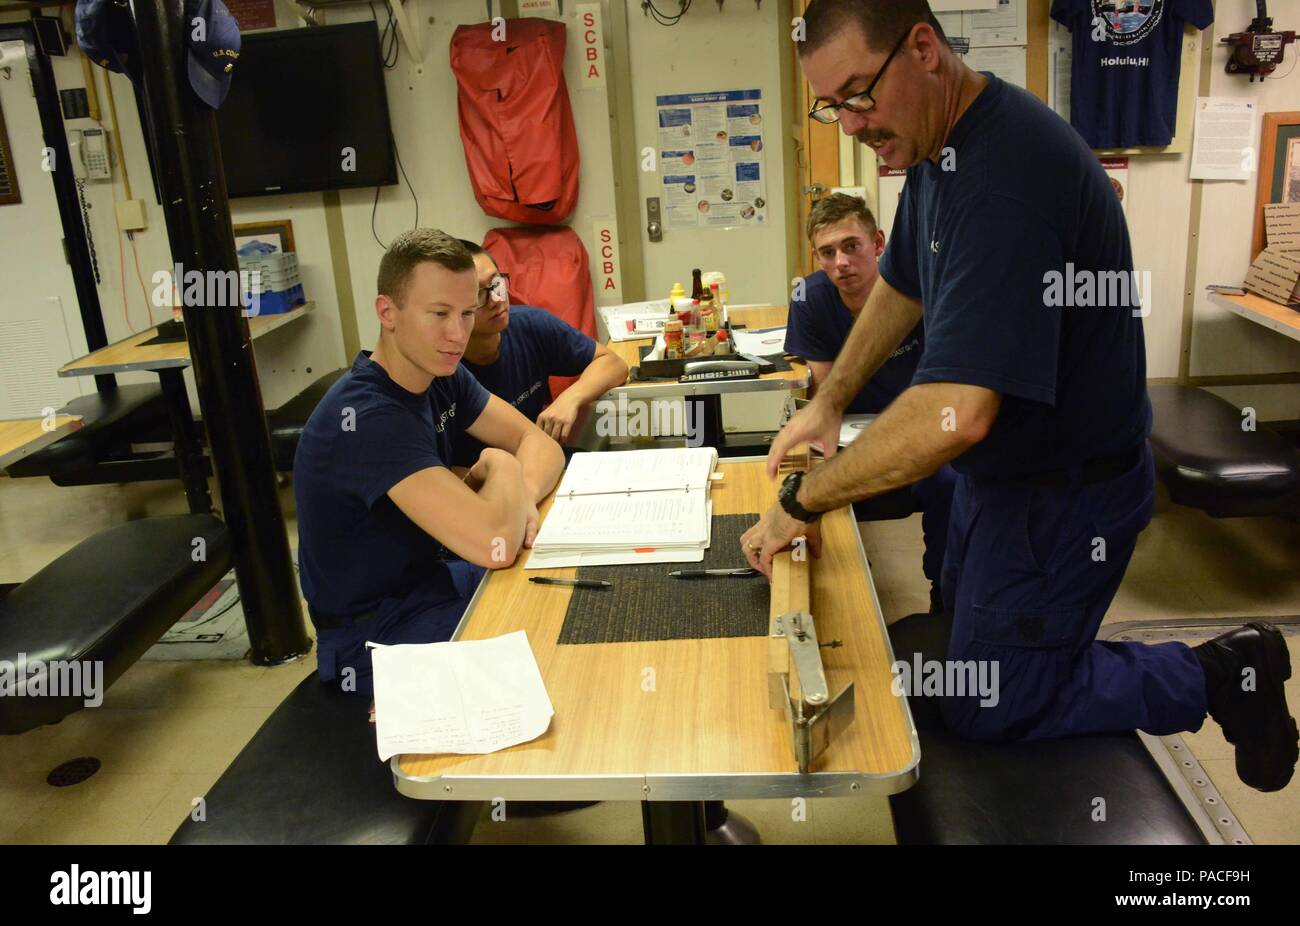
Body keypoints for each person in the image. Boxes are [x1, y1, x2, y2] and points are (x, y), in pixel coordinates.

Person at [744, 0, 1295, 790]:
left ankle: (1224, 672)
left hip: (1067, 499)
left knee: (992, 701)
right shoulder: (940, 149)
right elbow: (903, 284)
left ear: (923, 49)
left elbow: (957, 412)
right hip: (1002, 483)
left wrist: (804, 500)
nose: (851, 124)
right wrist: (830, 403)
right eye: (830, 105)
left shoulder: (1006, 179)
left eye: (858, 94)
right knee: (967, 655)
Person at [294, 229, 565, 697]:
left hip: (432, 583)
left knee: (563, 592)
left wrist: (516, 502)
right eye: (439, 314)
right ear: (388, 313)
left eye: (465, 313)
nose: (457, 335)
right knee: (551, 657)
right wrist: (500, 464)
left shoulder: (440, 373)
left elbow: (542, 444)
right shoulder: (369, 418)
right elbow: (493, 542)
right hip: (373, 638)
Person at [787, 192, 955, 609]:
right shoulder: (810, 300)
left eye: (851, 246)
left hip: (921, 428)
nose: (841, 262)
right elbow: (827, 399)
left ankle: (944, 595)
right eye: (827, 253)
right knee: (798, 477)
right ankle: (832, 606)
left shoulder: (922, 291)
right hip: (852, 435)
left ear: (878, 243)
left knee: (954, 483)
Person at [455, 239, 629, 466]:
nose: (497, 299)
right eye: (479, 294)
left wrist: (570, 399)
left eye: (497, 283)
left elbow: (614, 363)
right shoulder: (443, 369)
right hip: (486, 483)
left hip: (542, 461)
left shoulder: (529, 324)